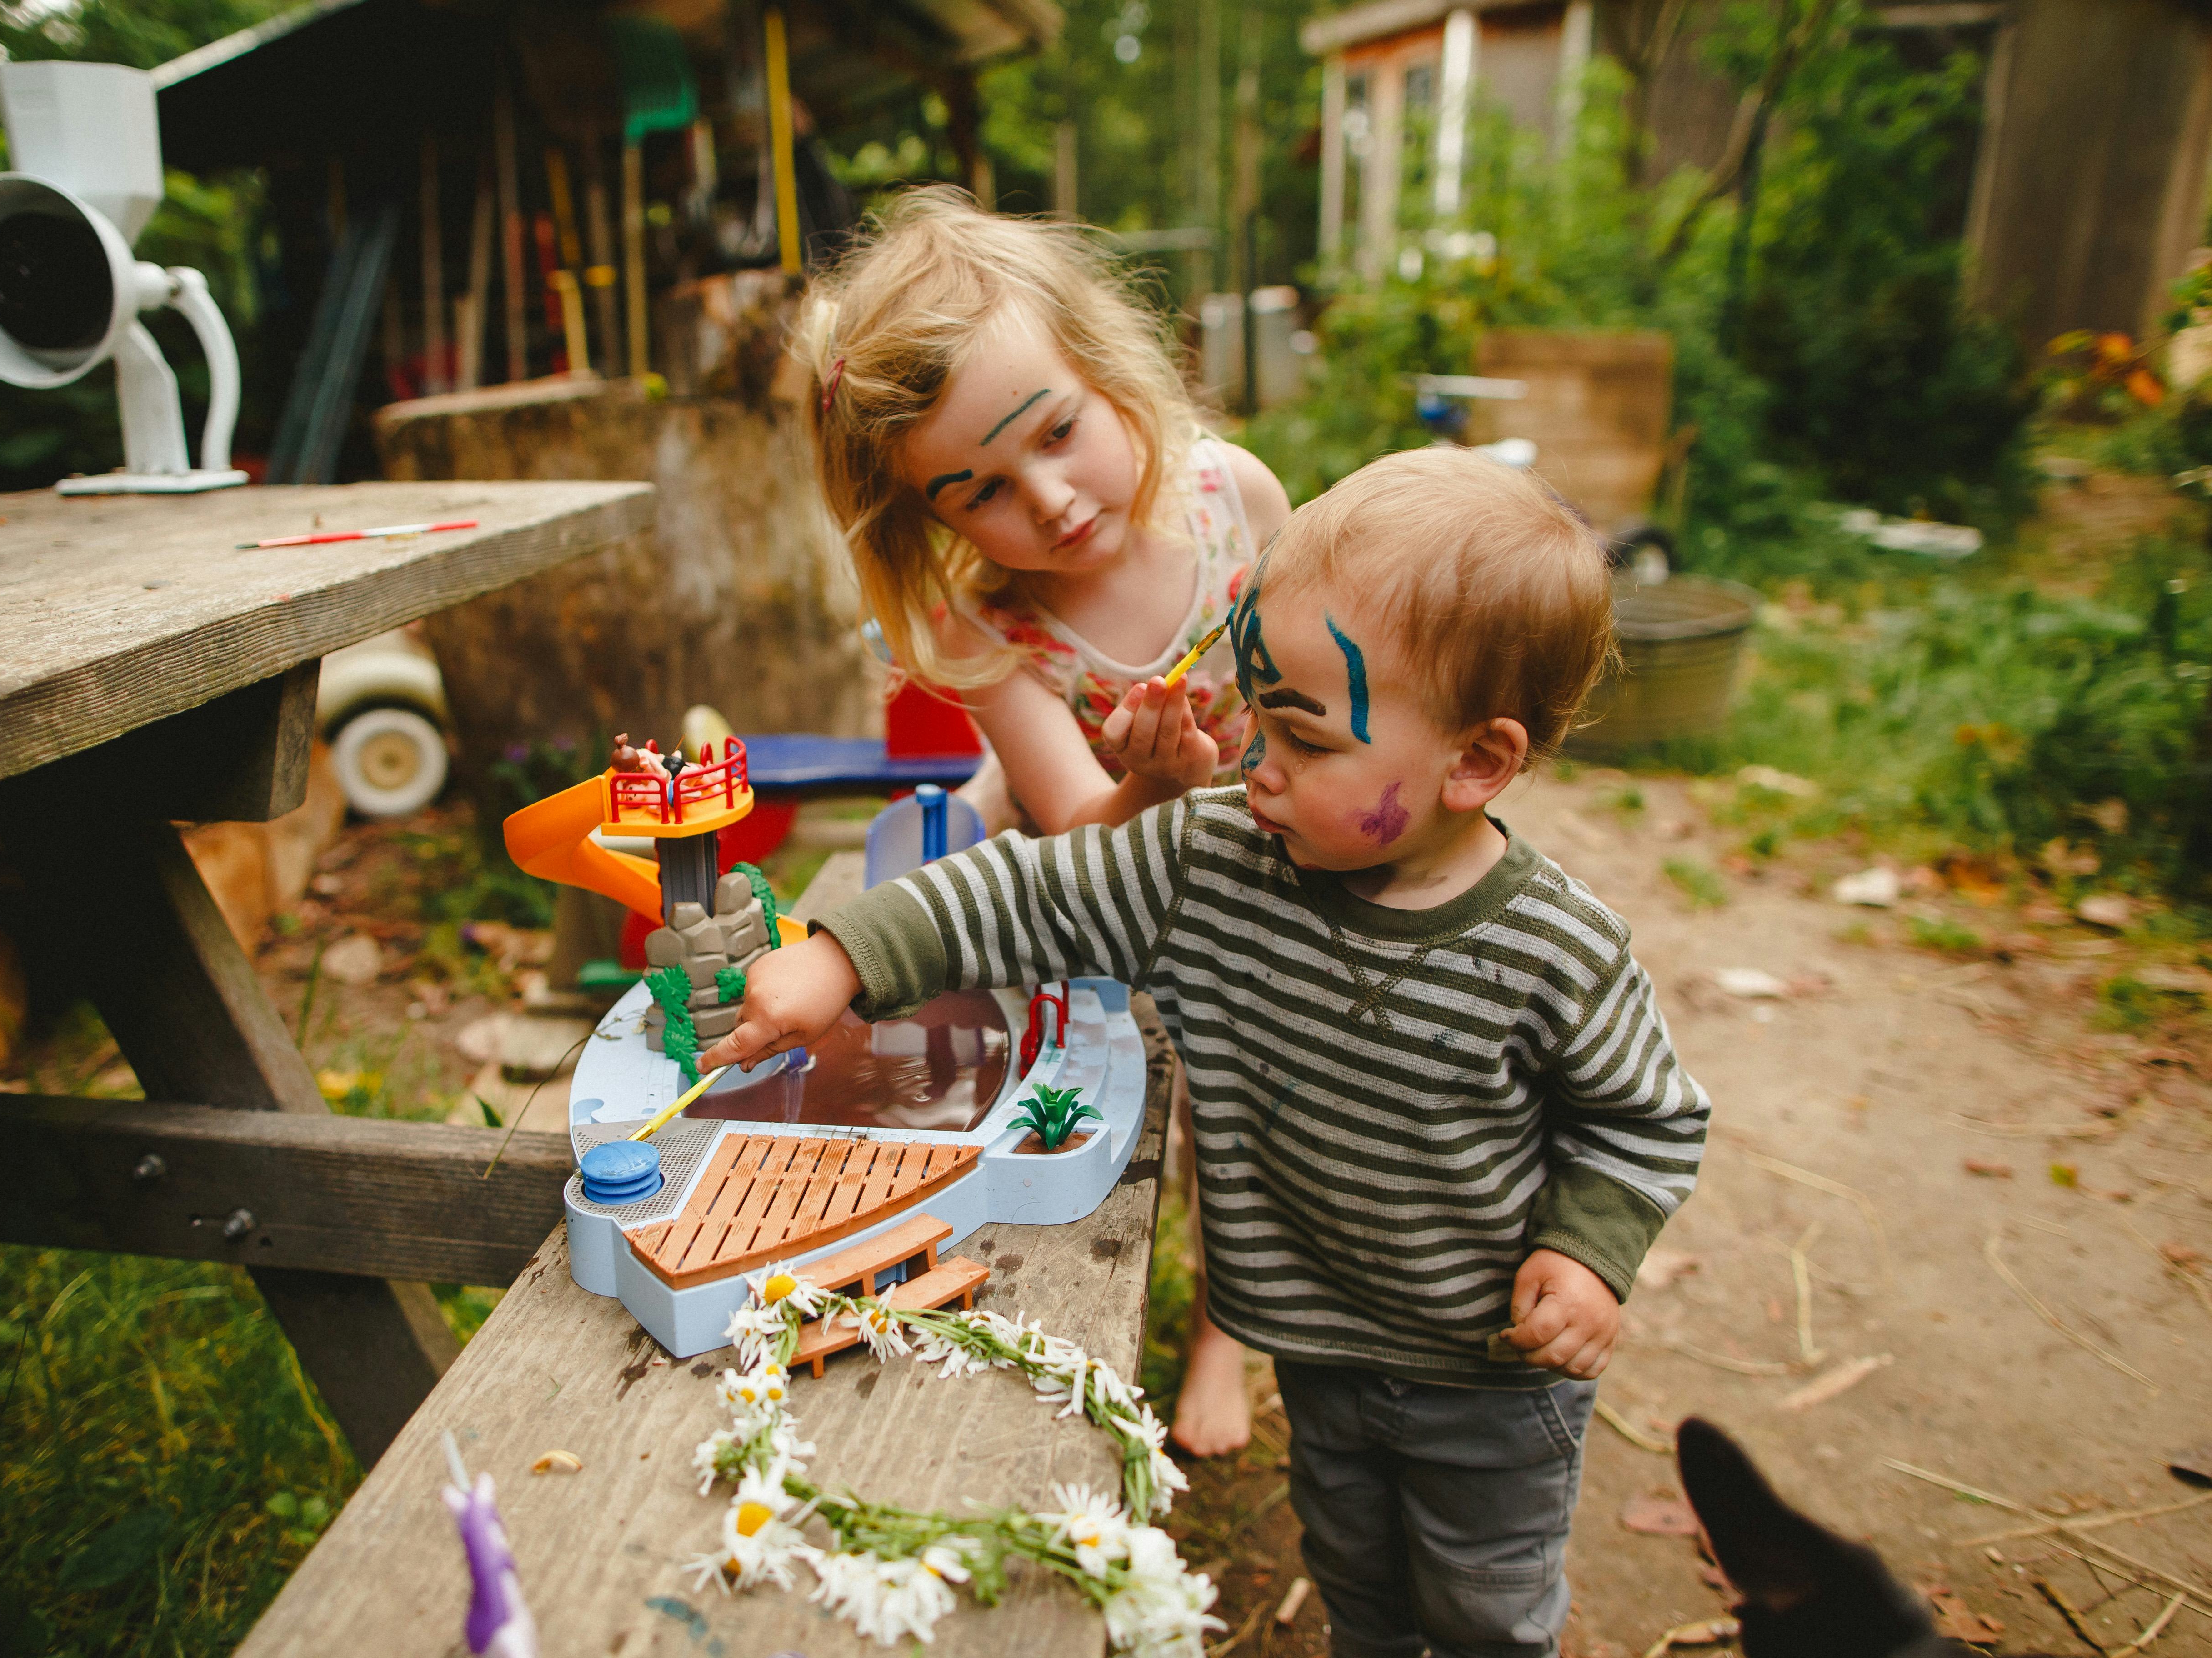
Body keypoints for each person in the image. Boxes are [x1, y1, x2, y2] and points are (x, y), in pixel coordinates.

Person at [703, 445, 1712, 1657]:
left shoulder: (1560, 951)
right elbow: (1031, 893)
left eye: (1305, 737)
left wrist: (1590, 1254)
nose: (1255, 761)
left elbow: (1646, 1118)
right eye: (1255, 710)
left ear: (1477, 762)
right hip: (1318, 1344)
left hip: (1490, 1372)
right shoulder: (1211, 857)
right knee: (1358, 1580)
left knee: (1487, 1610)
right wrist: (845, 958)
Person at [793, 184, 1289, 1456]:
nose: (1051, 501)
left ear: (1106, 363)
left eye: (1058, 432)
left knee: (1264, 1097)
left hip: (1268, 840)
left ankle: (1234, 1325)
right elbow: (1078, 825)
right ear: (935, 517)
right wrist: (1154, 789)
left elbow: (1313, 691)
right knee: (1176, 1067)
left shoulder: (1239, 500)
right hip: (1116, 863)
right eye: (983, 492)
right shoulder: (990, 626)